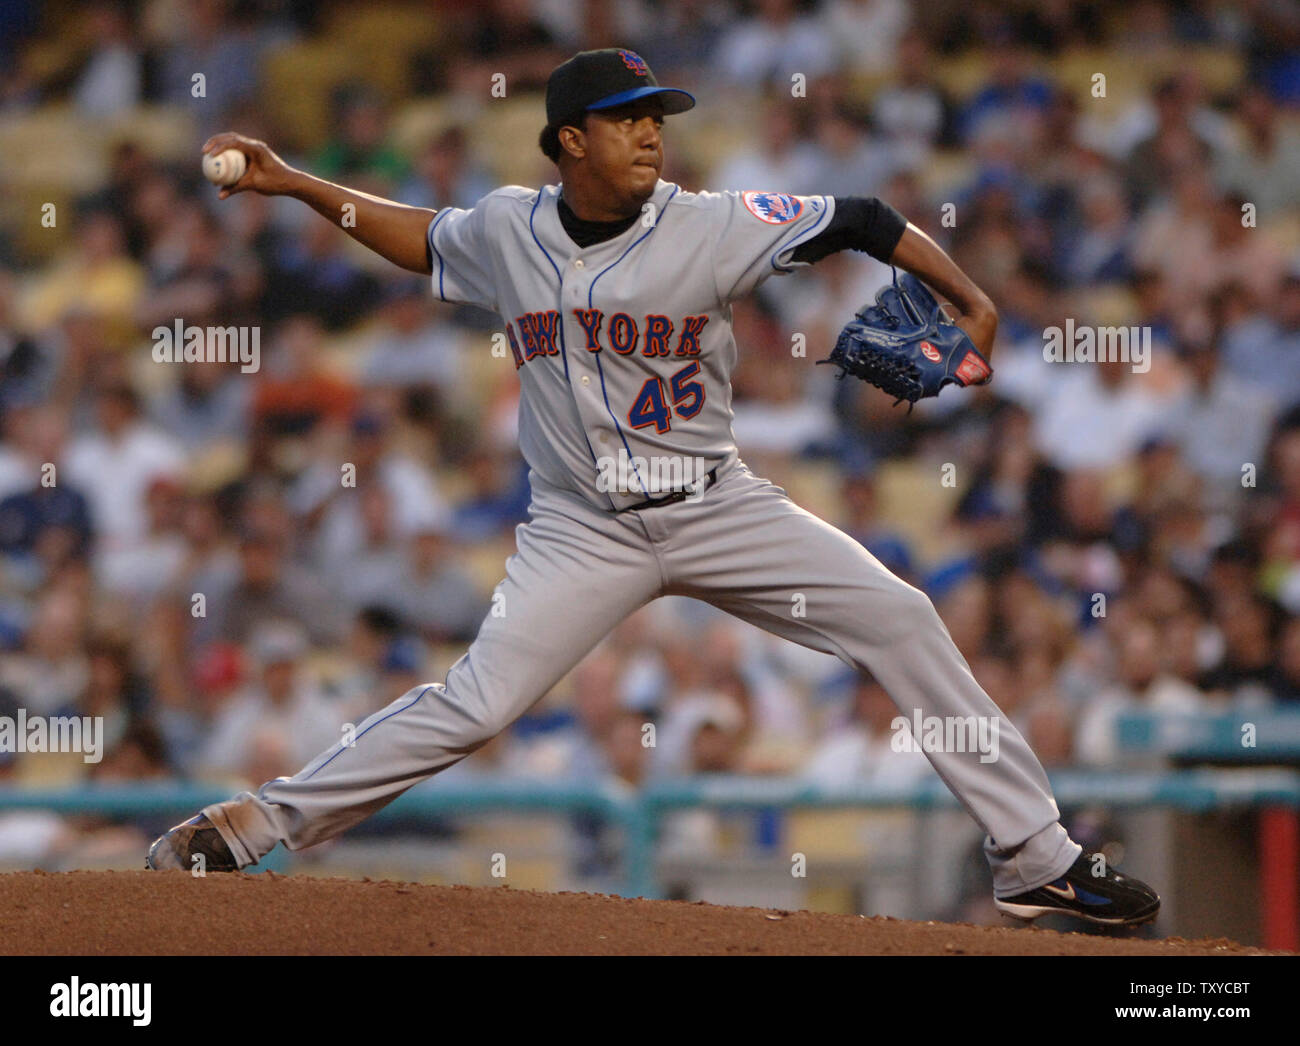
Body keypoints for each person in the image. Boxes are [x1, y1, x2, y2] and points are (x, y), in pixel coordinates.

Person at [149, 49, 1159, 927]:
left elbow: (862, 216)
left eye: (655, 119)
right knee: (478, 700)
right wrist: (292, 183)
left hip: (715, 503)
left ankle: (1038, 860)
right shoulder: (506, 229)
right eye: (625, 120)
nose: (648, 136)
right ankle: (261, 821)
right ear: (567, 142)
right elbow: (420, 237)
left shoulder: (712, 224)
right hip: (581, 530)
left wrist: (970, 298)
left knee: (898, 615)